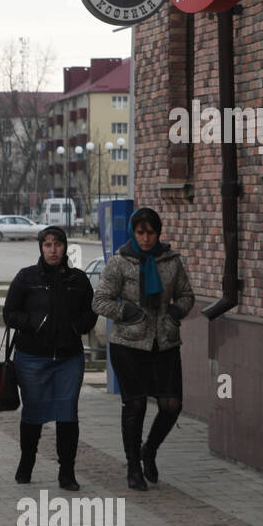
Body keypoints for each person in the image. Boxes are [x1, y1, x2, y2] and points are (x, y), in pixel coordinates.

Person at [92, 207, 194, 490]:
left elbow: (186, 294)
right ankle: (133, 465)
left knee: (171, 405)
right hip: (129, 344)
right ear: (134, 233)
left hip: (165, 342)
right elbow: (99, 301)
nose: (146, 238)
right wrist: (127, 311)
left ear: (158, 232)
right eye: (140, 232)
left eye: (150, 232)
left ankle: (149, 450)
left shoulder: (171, 260)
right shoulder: (120, 262)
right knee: (135, 405)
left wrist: (175, 313)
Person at [2, 226, 98, 491]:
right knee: (33, 411)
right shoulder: (26, 277)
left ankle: (67, 471)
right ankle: (27, 462)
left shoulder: (78, 279)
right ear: (41, 248)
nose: (53, 250)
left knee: (67, 413)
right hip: (32, 357)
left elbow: (91, 313)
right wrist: (34, 322)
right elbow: (9, 313)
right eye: (47, 245)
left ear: (65, 247)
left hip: (69, 358)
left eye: (57, 244)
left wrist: (77, 326)